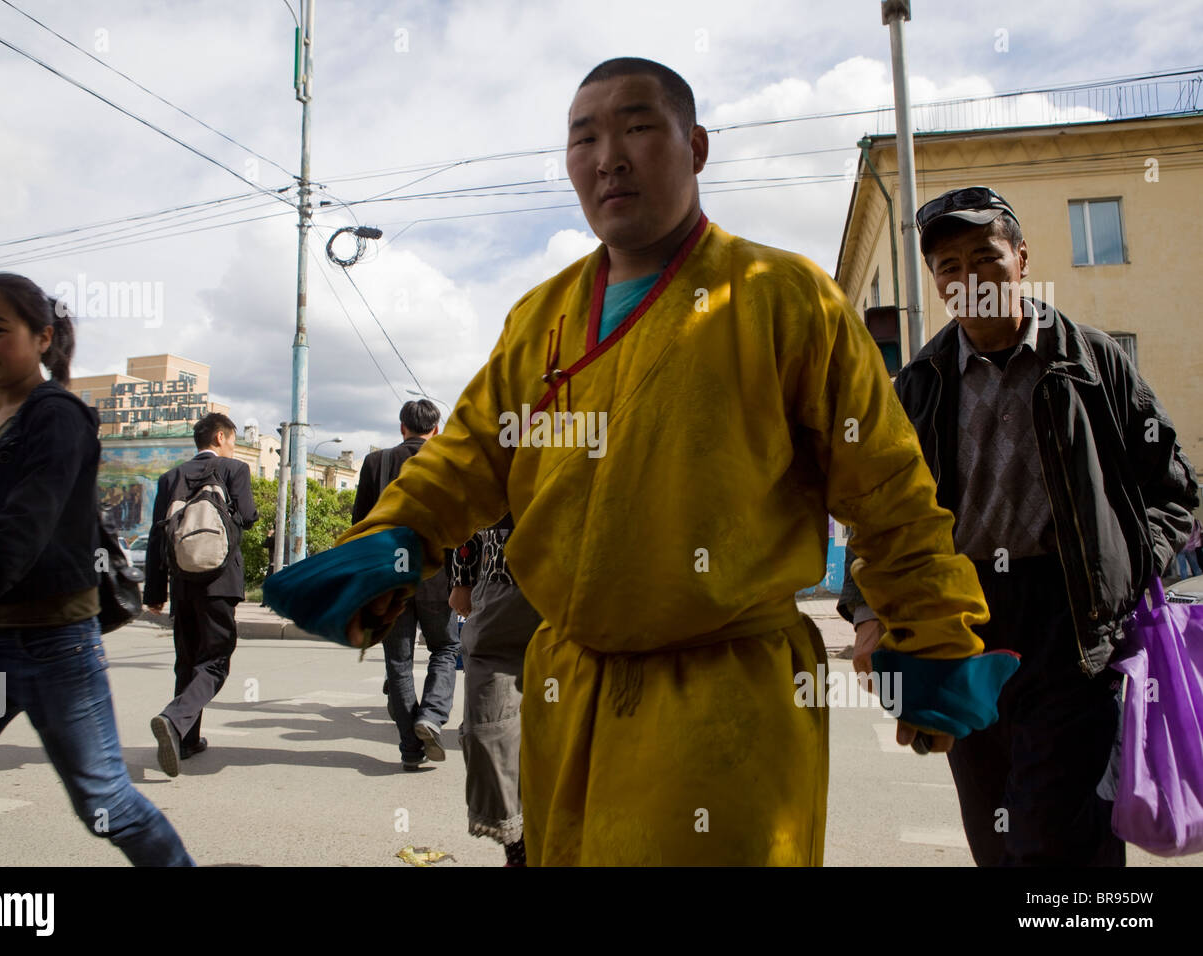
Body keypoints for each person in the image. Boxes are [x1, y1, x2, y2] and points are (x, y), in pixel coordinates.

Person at [287, 58, 1016, 866]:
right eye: (583, 137)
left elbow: (887, 488)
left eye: (636, 126)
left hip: (728, 698)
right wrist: (389, 543)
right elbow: (463, 461)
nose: (608, 156)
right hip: (568, 690)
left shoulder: (784, 298)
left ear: (696, 146)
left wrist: (933, 631)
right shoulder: (542, 318)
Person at [839, 186, 1200, 866]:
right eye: (948, 265)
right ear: (937, 282)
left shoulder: (1092, 365)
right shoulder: (920, 384)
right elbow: (877, 516)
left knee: (1059, 831)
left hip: (1071, 618)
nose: (968, 278)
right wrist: (866, 614)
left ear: (1022, 259)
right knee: (995, 829)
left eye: (985, 256)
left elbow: (1173, 489)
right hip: (963, 625)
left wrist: (1126, 568)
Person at [0, 272, 192, 866]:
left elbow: (18, 539)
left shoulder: (58, 416)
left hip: (55, 643)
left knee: (103, 803)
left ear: (41, 337)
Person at [144, 412, 258, 777]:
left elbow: (157, 536)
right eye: (232, 439)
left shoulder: (170, 477)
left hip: (182, 582)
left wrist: (154, 590)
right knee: (215, 661)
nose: (233, 446)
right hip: (220, 582)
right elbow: (250, 516)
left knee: (187, 660)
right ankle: (174, 719)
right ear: (221, 437)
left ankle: (187, 740)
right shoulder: (234, 469)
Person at [351, 399, 460, 771]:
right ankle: (431, 714)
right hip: (436, 574)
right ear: (437, 430)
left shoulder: (375, 463)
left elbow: (361, 525)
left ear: (402, 428)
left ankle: (410, 747)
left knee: (397, 660)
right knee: (445, 648)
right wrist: (465, 579)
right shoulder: (448, 463)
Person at [450, 515, 542, 866]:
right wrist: (463, 576)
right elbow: (470, 496)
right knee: (487, 726)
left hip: (583, 582)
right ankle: (519, 851)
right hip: (503, 587)